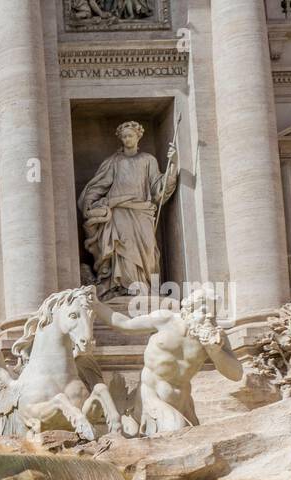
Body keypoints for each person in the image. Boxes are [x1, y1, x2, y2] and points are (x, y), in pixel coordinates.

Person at [91, 290, 243, 435]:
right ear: (189, 309)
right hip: (151, 395)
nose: (209, 316)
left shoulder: (215, 338)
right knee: (177, 431)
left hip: (183, 402)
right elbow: (124, 324)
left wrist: (216, 353)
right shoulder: (165, 319)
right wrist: (96, 304)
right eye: (204, 310)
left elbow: (236, 374)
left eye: (213, 312)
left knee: (188, 439)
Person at [79, 120, 177, 300]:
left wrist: (173, 165)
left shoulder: (148, 160)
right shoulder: (113, 162)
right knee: (123, 247)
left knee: (147, 251)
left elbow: (158, 187)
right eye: (124, 137)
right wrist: (90, 203)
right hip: (119, 211)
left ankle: (144, 287)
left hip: (142, 212)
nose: (127, 139)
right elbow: (98, 185)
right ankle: (123, 287)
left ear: (138, 137)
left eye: (130, 136)